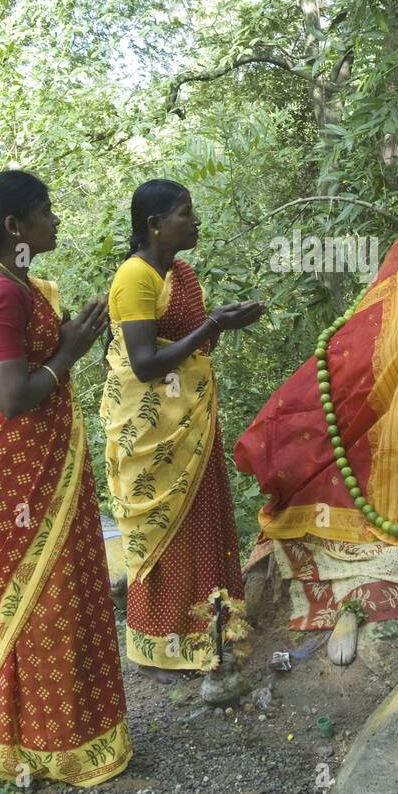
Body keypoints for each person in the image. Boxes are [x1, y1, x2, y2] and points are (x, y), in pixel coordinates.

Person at [0, 171, 132, 786]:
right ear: (14, 228)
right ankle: (48, 742)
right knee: (41, 596)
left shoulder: (22, 283)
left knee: (68, 585)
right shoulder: (0, 293)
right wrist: (70, 350)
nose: (57, 221)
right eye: (46, 212)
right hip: (19, 468)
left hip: (45, 460)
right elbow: (14, 396)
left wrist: (65, 340)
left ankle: (76, 731)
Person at [101, 179, 265, 680]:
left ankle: (210, 632)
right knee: (162, 533)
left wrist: (221, 322)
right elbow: (147, 363)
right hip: (152, 430)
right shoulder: (135, 277)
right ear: (154, 225)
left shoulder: (183, 273)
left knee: (200, 523)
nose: (195, 222)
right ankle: (160, 645)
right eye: (185, 214)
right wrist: (213, 325)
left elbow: (190, 344)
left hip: (190, 420)